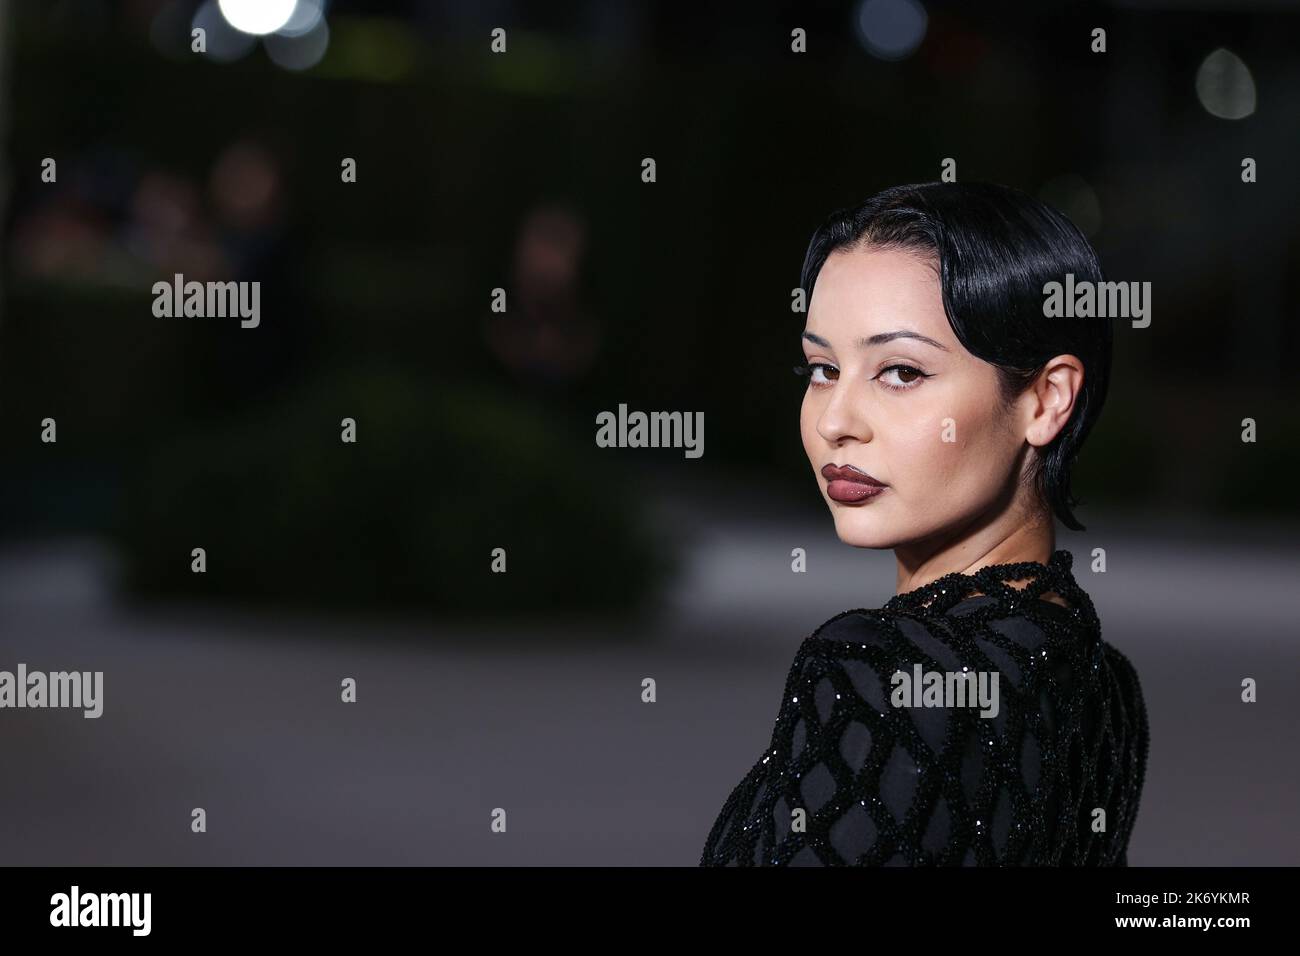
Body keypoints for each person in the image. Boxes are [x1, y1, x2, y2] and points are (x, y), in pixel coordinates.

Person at [700, 182, 1148, 866]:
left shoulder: (875, 674)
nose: (834, 421)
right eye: (822, 368)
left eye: (901, 372)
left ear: (1046, 398)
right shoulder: (1105, 685)